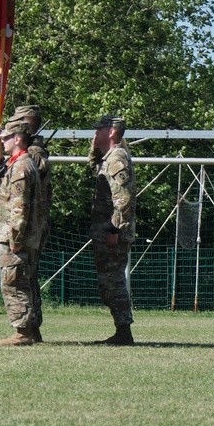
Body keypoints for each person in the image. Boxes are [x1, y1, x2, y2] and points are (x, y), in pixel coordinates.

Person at [0, 107, 50, 346]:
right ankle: (31, 329)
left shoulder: (22, 166)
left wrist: (15, 238)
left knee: (13, 282)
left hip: (16, 237)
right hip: (17, 234)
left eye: (7, 137)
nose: (4, 141)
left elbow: (20, 207)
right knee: (23, 281)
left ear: (18, 139)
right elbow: (5, 194)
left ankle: (23, 331)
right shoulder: (17, 164)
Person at [89, 116, 137, 345]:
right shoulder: (108, 157)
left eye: (98, 130)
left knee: (114, 282)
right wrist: (94, 148)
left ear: (110, 132)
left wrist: (115, 230)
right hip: (106, 231)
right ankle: (122, 331)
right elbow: (94, 167)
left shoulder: (117, 157)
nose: (94, 134)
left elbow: (123, 199)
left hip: (112, 232)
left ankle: (124, 331)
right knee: (108, 283)